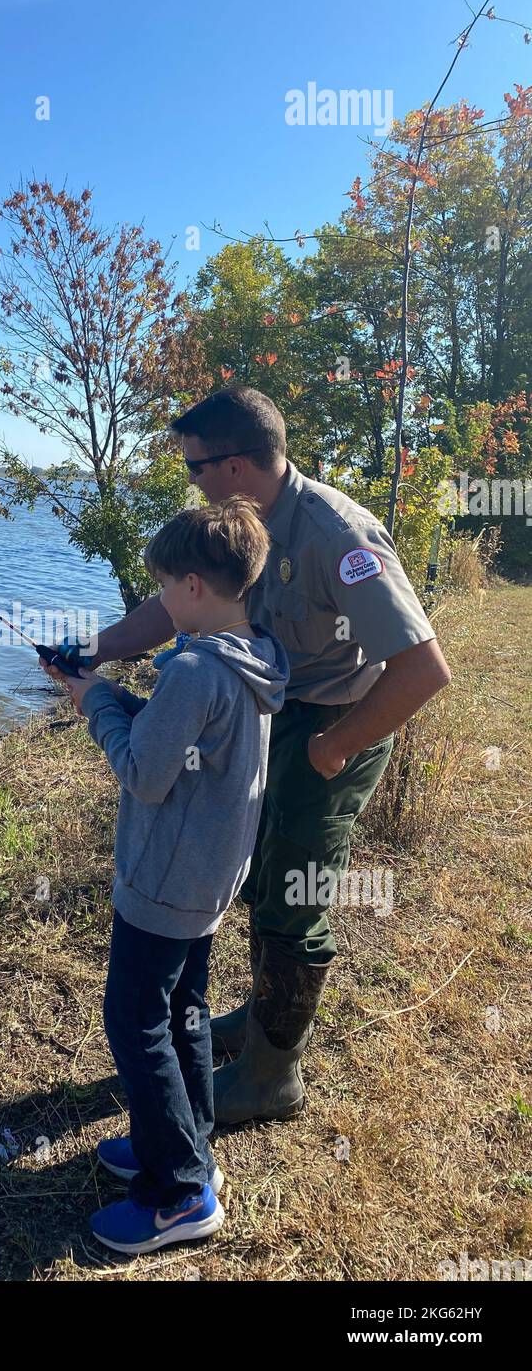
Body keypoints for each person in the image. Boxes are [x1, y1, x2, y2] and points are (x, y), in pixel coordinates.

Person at [71, 386, 451, 1126]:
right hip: (273, 720)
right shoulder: (236, 527)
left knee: (295, 897)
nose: (191, 482)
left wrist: (331, 749)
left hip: (334, 725)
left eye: (195, 469)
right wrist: (91, 650)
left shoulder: (337, 536)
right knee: (254, 878)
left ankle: (274, 1076)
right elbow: (172, 605)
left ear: (236, 465)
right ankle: (255, 1023)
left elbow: (422, 669)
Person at [46, 498, 289, 1255]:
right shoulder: (254, 655)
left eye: (159, 590)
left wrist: (92, 703)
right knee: (183, 1008)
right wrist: (119, 697)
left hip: (163, 881)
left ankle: (178, 1192)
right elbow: (186, 741)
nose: (156, 604)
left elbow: (144, 773)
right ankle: (184, 1141)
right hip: (208, 876)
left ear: (190, 586)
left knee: (136, 1022)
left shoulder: (190, 667)